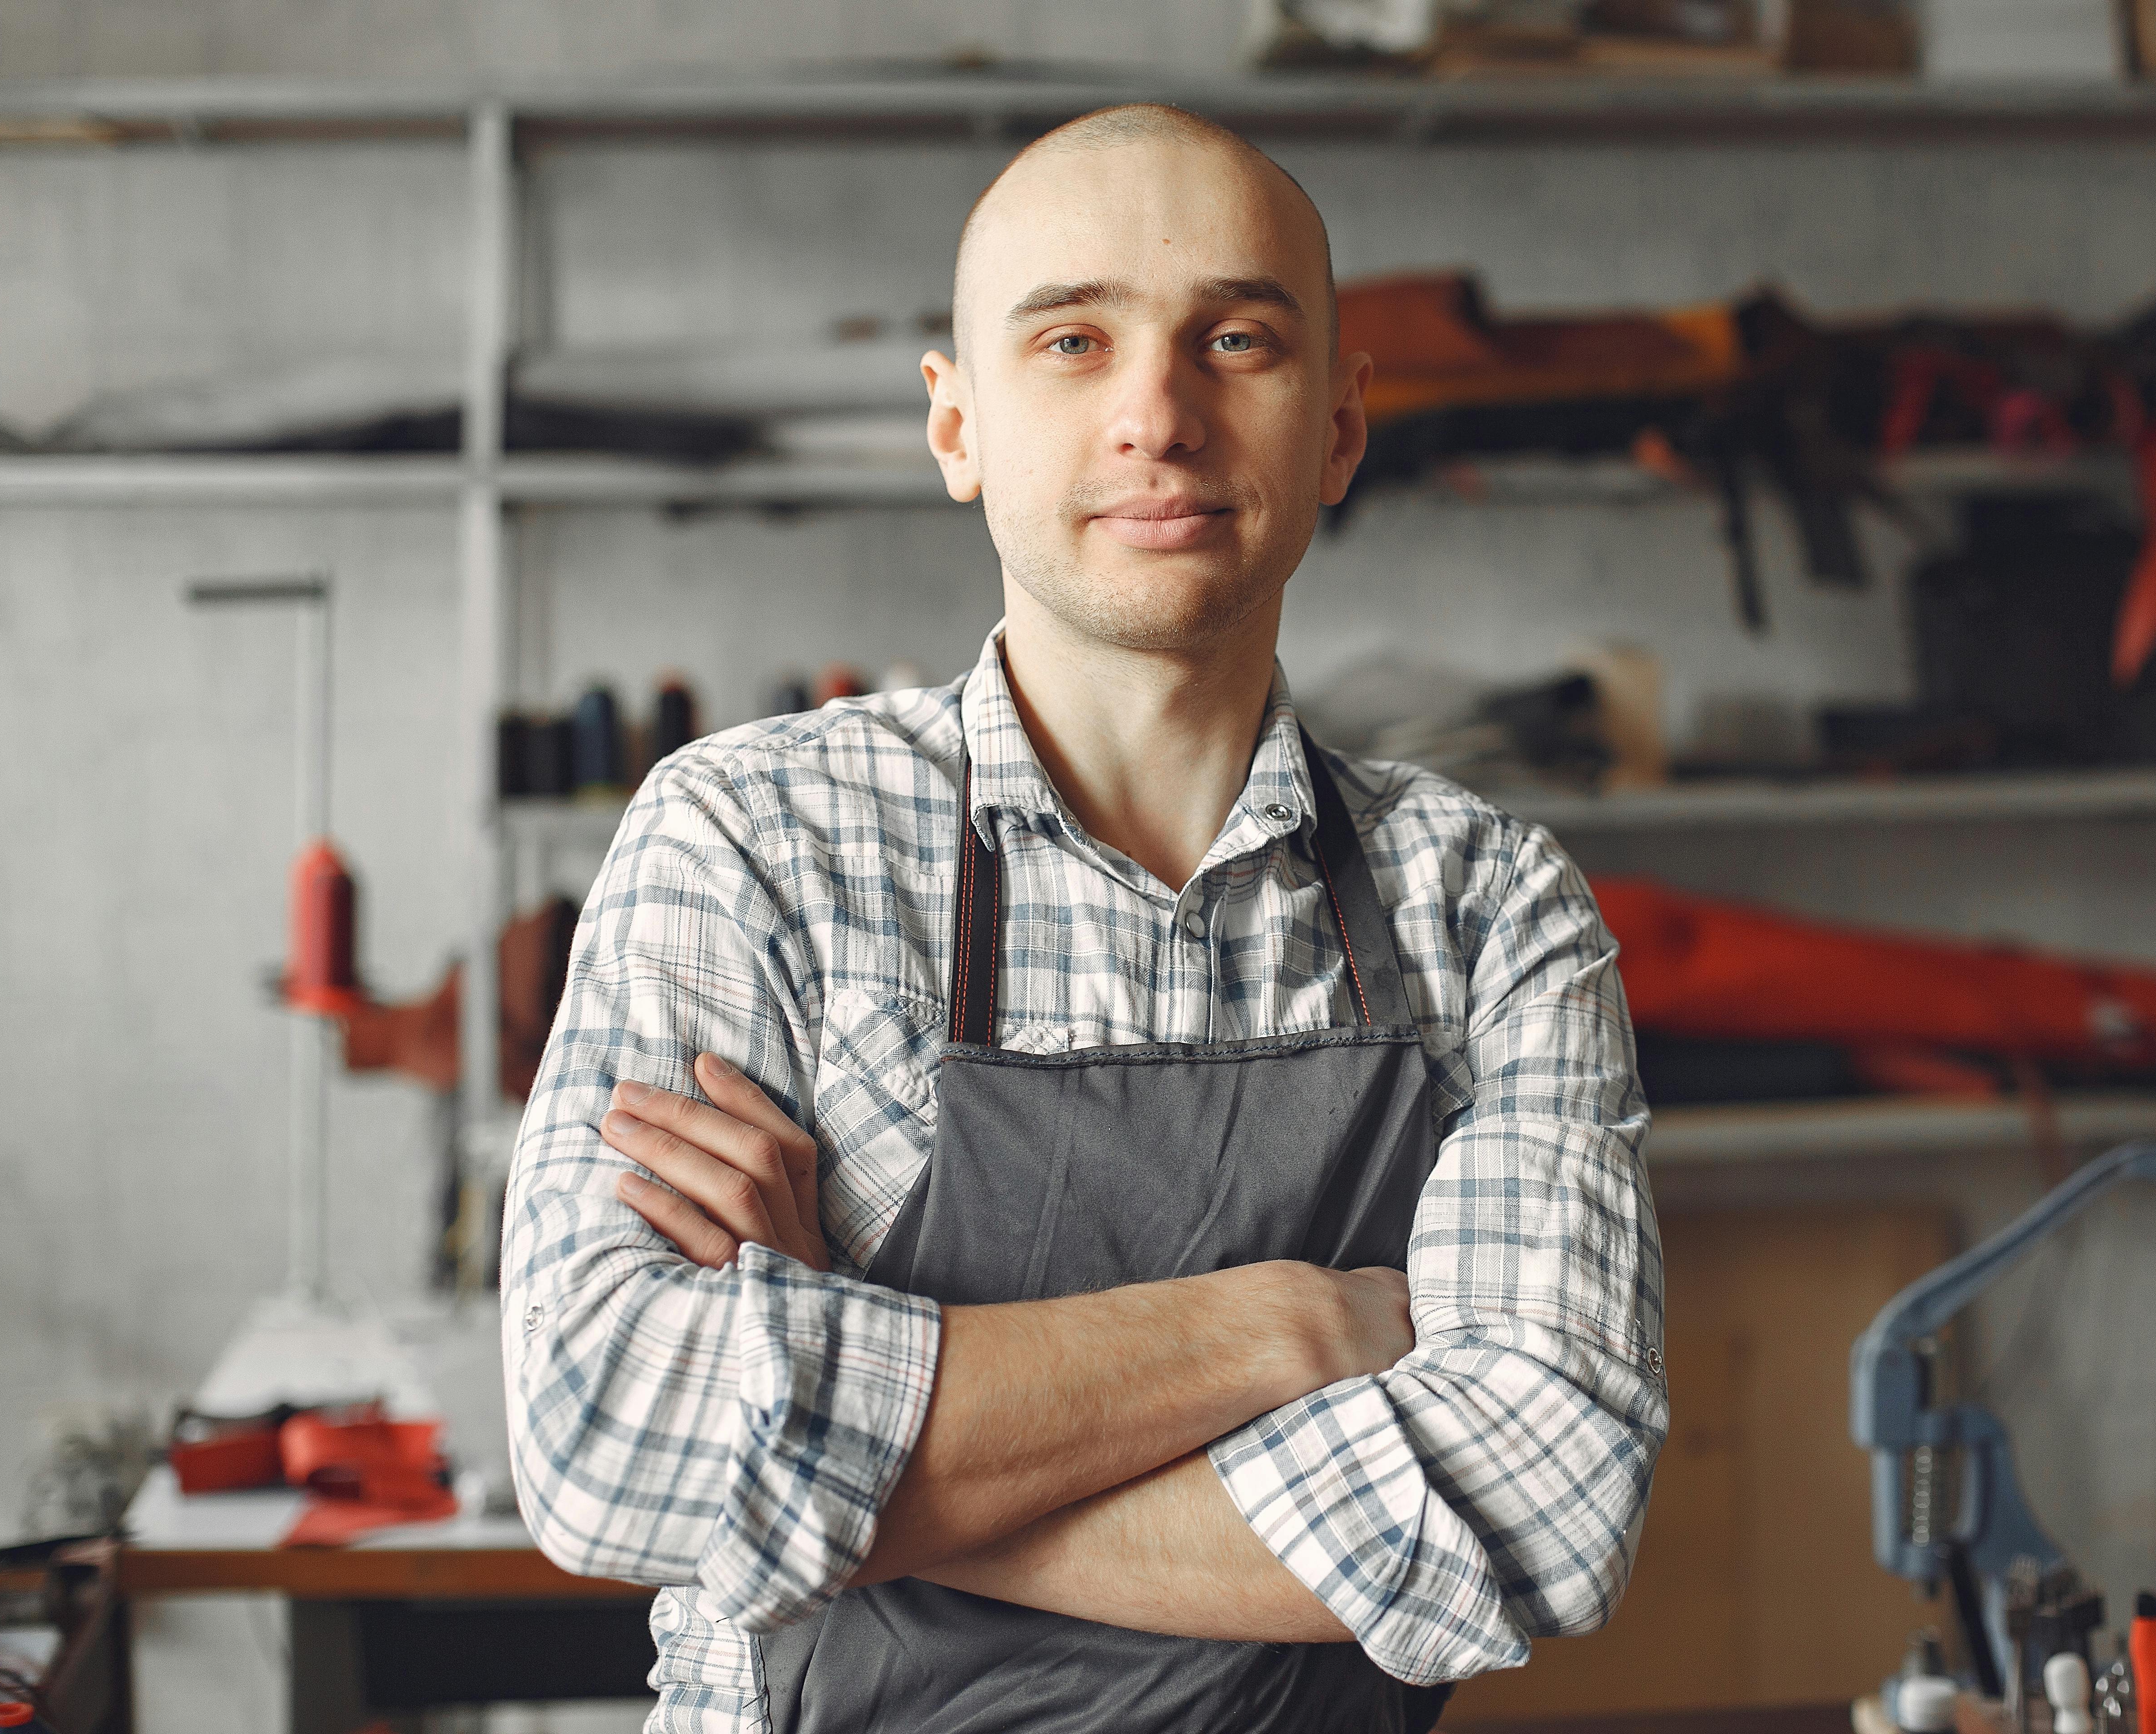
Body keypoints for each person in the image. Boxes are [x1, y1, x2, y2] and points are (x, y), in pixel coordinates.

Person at [500, 103, 1667, 1734]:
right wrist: (1288, 1325)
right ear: (957, 423)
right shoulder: (754, 838)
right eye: (1072, 340)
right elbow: (605, 1446)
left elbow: (1544, 1514)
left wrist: (850, 1452)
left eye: (1236, 339)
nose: (1158, 417)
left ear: (1336, 429)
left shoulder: (1486, 906)